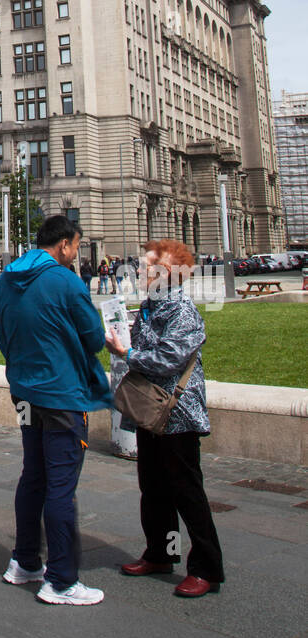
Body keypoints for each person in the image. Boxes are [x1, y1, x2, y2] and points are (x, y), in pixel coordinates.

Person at [0, 215, 112, 606]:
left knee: (34, 475)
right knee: (62, 485)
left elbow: (3, 333)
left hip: (25, 394)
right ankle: (60, 580)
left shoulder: (7, 278)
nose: (76, 253)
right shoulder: (65, 280)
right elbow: (94, 338)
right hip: (61, 395)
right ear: (63, 245)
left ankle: (25, 561)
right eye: (76, 246)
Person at [105, 238, 224, 598]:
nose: (139, 270)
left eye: (145, 266)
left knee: (187, 492)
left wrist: (125, 352)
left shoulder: (182, 312)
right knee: (153, 488)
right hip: (149, 410)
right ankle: (161, 552)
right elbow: (144, 350)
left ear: (165, 272)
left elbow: (167, 360)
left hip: (178, 414)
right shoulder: (150, 307)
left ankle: (206, 568)